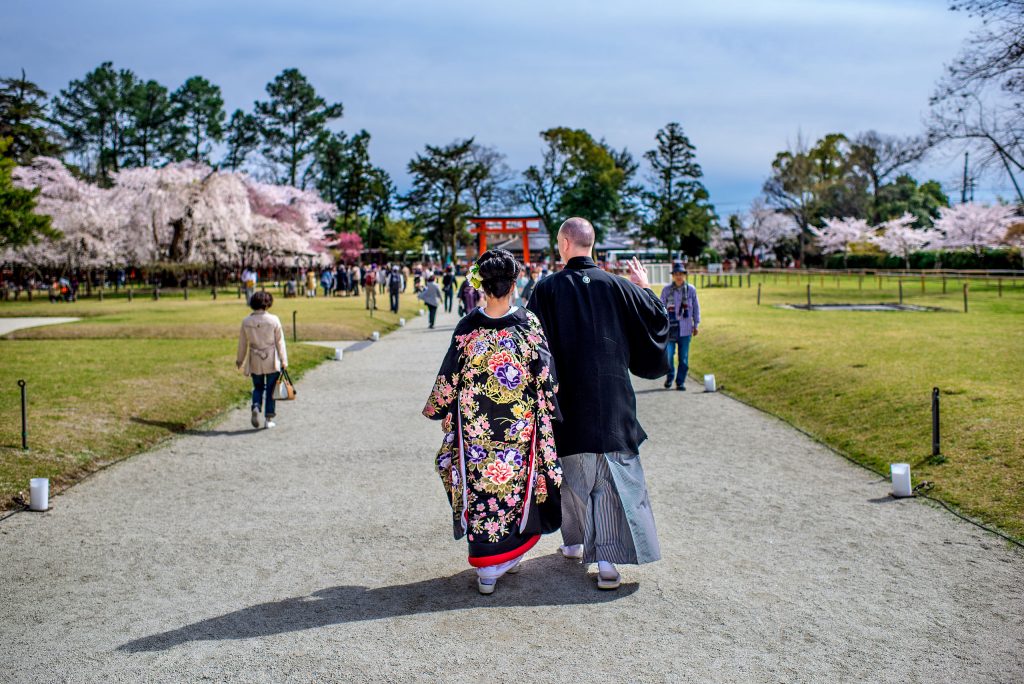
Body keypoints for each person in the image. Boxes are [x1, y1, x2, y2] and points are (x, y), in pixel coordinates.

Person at [527, 217, 670, 591]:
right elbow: (656, 319)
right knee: (608, 480)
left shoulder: (547, 289)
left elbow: (532, 345)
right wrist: (646, 288)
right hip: (612, 397)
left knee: (571, 473)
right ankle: (604, 561)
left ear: (563, 244)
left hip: (567, 398)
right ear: (593, 243)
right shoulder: (618, 285)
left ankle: (577, 544)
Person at [423, 249, 563, 595]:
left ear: (481, 286)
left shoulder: (469, 325)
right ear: (514, 285)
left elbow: (449, 377)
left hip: (477, 428)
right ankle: (505, 557)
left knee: (483, 488)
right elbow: (546, 376)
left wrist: (443, 410)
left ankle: (489, 566)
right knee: (514, 488)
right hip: (518, 425)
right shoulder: (527, 323)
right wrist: (549, 406)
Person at [236, 291, 289, 430]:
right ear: (268, 303)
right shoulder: (274, 320)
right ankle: (268, 418)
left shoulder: (246, 321)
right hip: (271, 358)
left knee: (258, 387)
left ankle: (256, 406)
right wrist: (284, 360)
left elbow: (242, 343)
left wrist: (239, 360)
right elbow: (280, 342)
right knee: (271, 389)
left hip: (255, 358)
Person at [661, 263, 701, 390]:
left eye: (681, 274)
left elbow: (695, 308)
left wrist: (696, 324)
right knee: (668, 356)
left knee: (683, 359)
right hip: (670, 329)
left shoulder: (691, 290)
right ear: (673, 276)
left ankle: (680, 382)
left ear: (684, 275)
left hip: (686, 328)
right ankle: (670, 376)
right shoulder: (666, 290)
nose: (679, 277)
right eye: (676, 274)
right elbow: (661, 308)